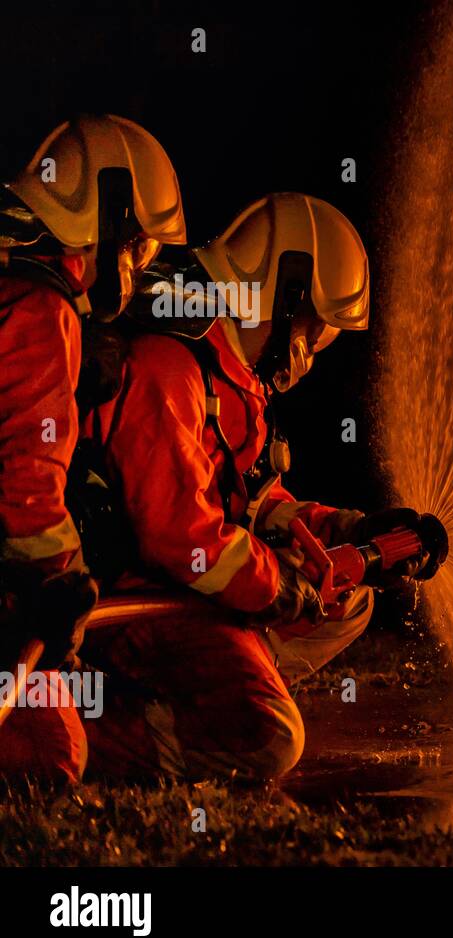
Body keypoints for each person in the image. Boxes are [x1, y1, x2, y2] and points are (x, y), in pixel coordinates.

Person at [79, 193, 445, 779]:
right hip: (129, 603)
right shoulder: (169, 367)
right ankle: (86, 728)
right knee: (269, 741)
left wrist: (349, 532)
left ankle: (225, 677)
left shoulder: (232, 374)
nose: (314, 344)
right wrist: (276, 585)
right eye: (314, 325)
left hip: (182, 588)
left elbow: (255, 503)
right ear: (286, 291)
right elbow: (181, 537)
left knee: (349, 598)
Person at [0, 115, 185, 783]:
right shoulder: (39, 309)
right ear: (104, 216)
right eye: (136, 246)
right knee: (55, 754)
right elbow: (28, 490)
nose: (136, 267)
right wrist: (60, 582)